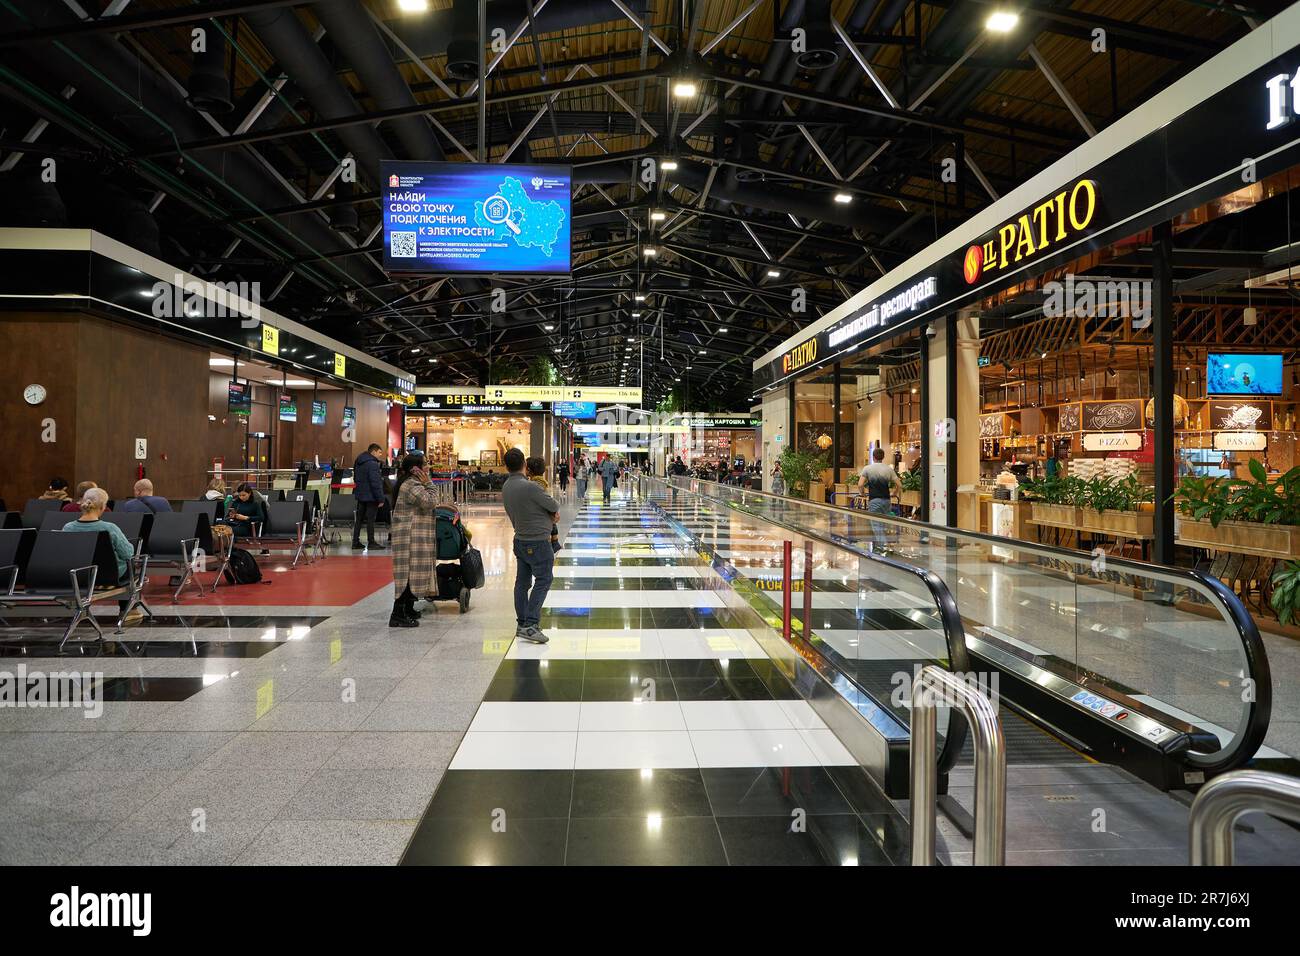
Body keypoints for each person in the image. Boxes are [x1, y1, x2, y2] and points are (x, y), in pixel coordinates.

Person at [61, 487, 141, 625]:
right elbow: (128, 553)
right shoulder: (109, 528)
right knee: (130, 564)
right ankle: (128, 609)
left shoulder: (68, 527)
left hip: (78, 575)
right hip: (108, 575)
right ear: (103, 507)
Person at [502, 447, 558, 644]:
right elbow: (554, 506)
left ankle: (522, 622)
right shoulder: (531, 487)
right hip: (538, 542)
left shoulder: (507, 486)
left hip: (520, 540)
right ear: (524, 465)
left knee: (522, 583)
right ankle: (531, 625)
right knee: (544, 579)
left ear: (505, 466)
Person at [389, 454, 444, 628]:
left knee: (414, 573)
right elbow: (430, 501)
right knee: (408, 574)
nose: (428, 467)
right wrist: (429, 483)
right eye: (425, 464)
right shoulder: (411, 485)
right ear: (416, 469)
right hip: (410, 538)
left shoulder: (411, 483)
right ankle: (397, 614)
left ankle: (408, 608)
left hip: (415, 537)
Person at [857, 447, 900, 550]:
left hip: (874, 500)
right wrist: (894, 493)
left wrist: (862, 494)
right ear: (883, 457)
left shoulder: (868, 469)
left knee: (876, 526)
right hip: (886, 501)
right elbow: (899, 485)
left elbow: (860, 484)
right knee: (884, 525)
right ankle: (882, 547)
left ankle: (882, 549)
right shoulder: (888, 469)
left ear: (873, 457)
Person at [351, 442, 386, 550]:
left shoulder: (359, 461)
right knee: (371, 520)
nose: (380, 455)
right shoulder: (372, 463)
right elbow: (375, 482)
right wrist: (380, 498)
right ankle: (371, 542)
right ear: (373, 451)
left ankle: (355, 542)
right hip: (371, 496)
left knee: (359, 519)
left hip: (361, 494)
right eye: (379, 452)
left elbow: (356, 477)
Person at [527, 456, 562, 553]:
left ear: (529, 470)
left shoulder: (535, 483)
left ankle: (554, 542)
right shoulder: (540, 481)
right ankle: (554, 541)